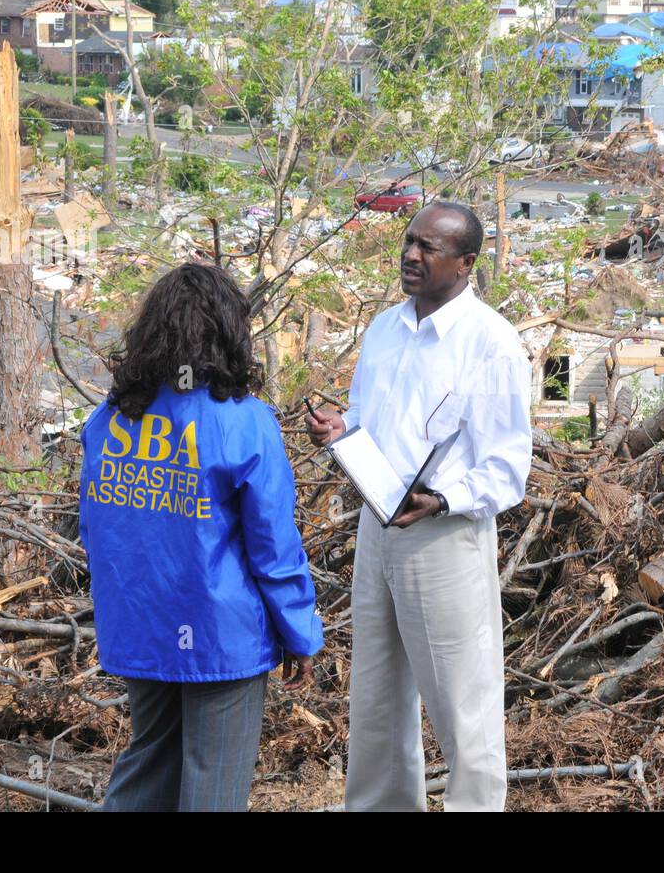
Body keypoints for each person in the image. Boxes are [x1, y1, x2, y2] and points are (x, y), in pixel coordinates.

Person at [306, 202, 533, 812]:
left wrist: (441, 500)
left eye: (428, 248)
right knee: (375, 696)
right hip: (377, 527)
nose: (410, 255)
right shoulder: (385, 329)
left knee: (464, 703)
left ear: (465, 264)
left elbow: (509, 466)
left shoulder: (491, 343)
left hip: (444, 539)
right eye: (409, 242)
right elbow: (370, 422)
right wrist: (339, 430)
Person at [80, 262, 323, 812]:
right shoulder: (244, 421)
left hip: (141, 625)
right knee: (213, 786)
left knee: (149, 764)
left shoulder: (110, 420)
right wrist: (300, 632)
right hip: (220, 634)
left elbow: (95, 529)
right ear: (229, 333)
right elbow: (273, 548)